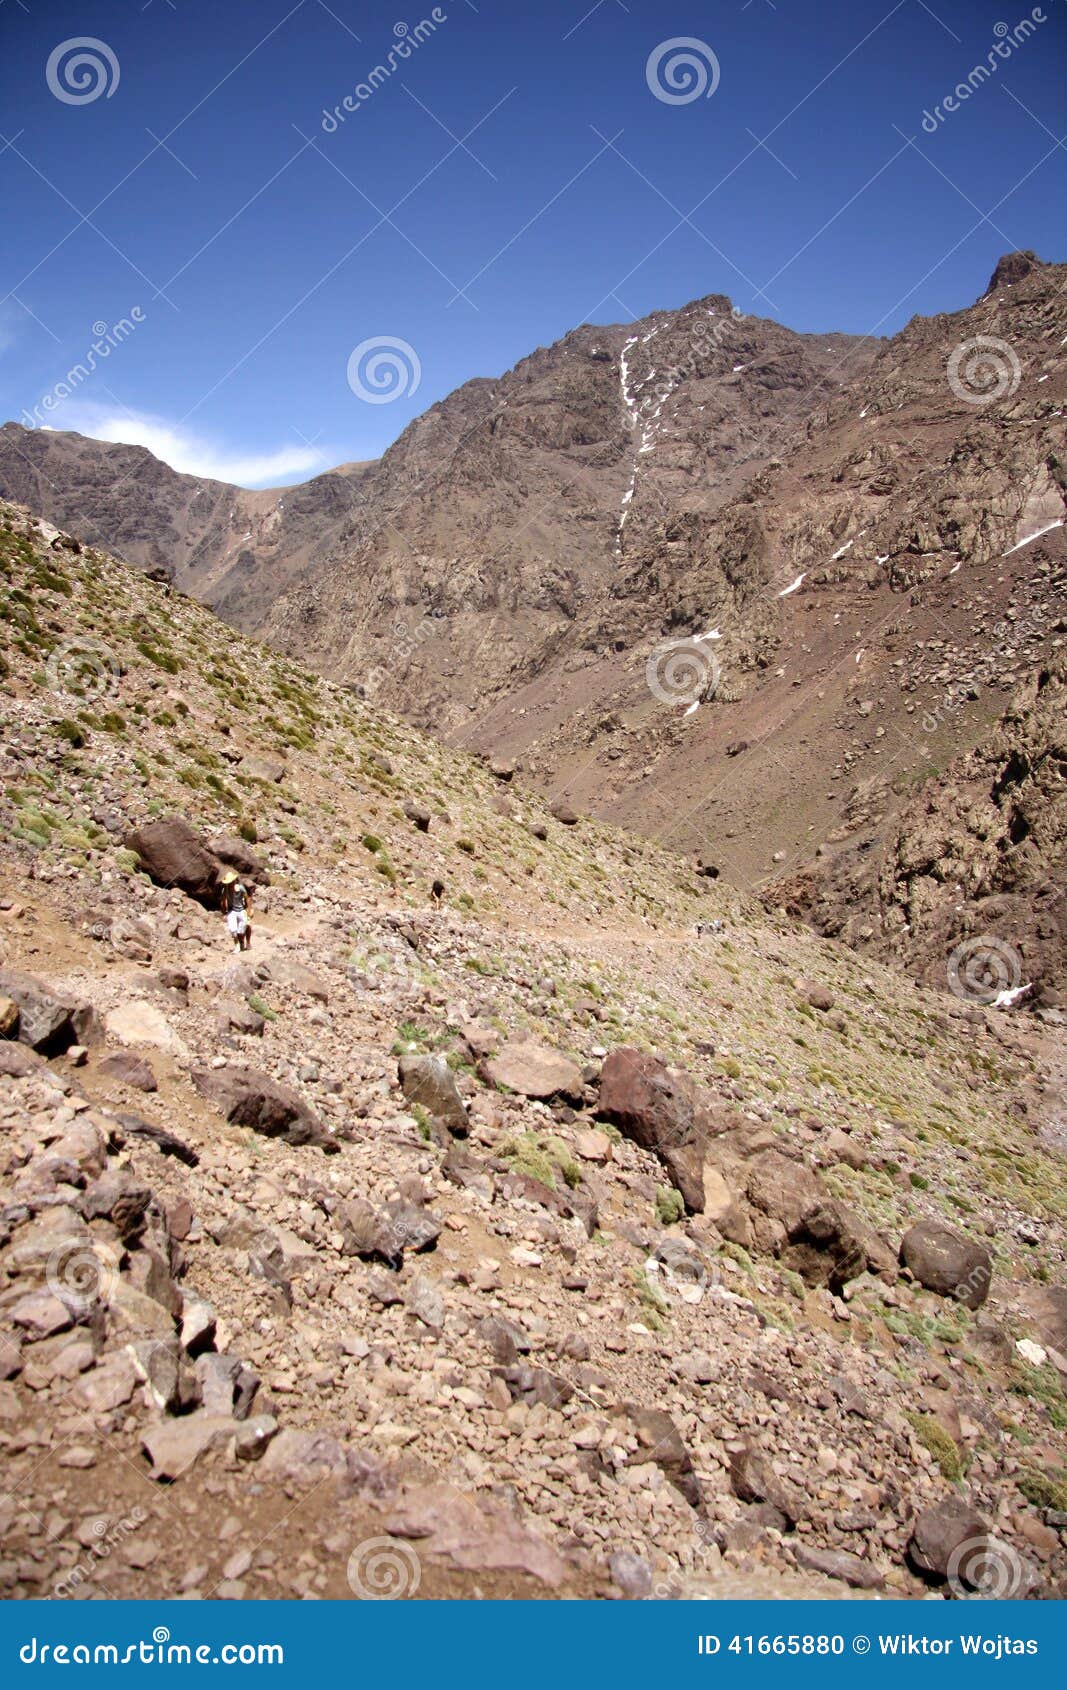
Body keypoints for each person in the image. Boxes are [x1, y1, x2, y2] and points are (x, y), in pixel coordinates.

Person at [220, 869, 252, 953]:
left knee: (243, 928)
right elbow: (223, 901)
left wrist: (248, 911)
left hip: (241, 909)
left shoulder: (240, 888)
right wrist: (224, 913)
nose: (229, 884)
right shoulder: (225, 890)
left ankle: (245, 942)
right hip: (232, 910)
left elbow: (247, 898)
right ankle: (237, 946)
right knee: (233, 930)